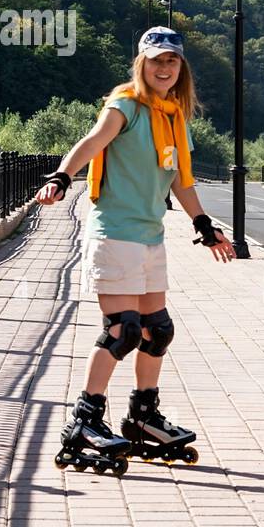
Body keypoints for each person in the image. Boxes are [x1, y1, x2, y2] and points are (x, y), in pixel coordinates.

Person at [36, 26, 236, 473]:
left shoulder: (174, 115)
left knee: (157, 330)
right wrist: (61, 176)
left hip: (150, 236)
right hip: (116, 234)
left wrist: (204, 225)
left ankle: (143, 417)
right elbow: (92, 142)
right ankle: (85, 421)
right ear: (141, 63)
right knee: (122, 331)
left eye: (172, 61)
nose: (164, 68)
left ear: (180, 67)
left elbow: (180, 180)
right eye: (156, 60)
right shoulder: (125, 104)